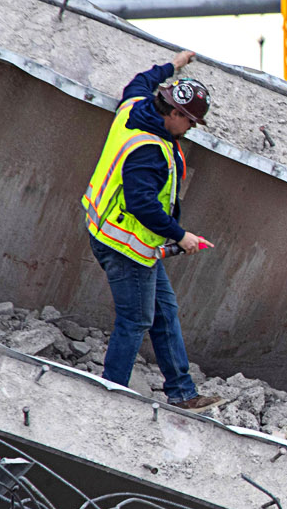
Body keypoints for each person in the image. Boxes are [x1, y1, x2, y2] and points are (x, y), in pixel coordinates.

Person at [80, 51, 222, 412]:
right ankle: (109, 393)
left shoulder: (135, 106)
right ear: (173, 113)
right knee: (136, 319)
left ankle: (183, 393)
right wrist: (181, 236)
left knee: (164, 311)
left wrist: (174, 65)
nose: (190, 129)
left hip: (122, 237)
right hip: (123, 243)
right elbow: (142, 205)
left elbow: (140, 80)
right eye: (189, 122)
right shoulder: (150, 151)